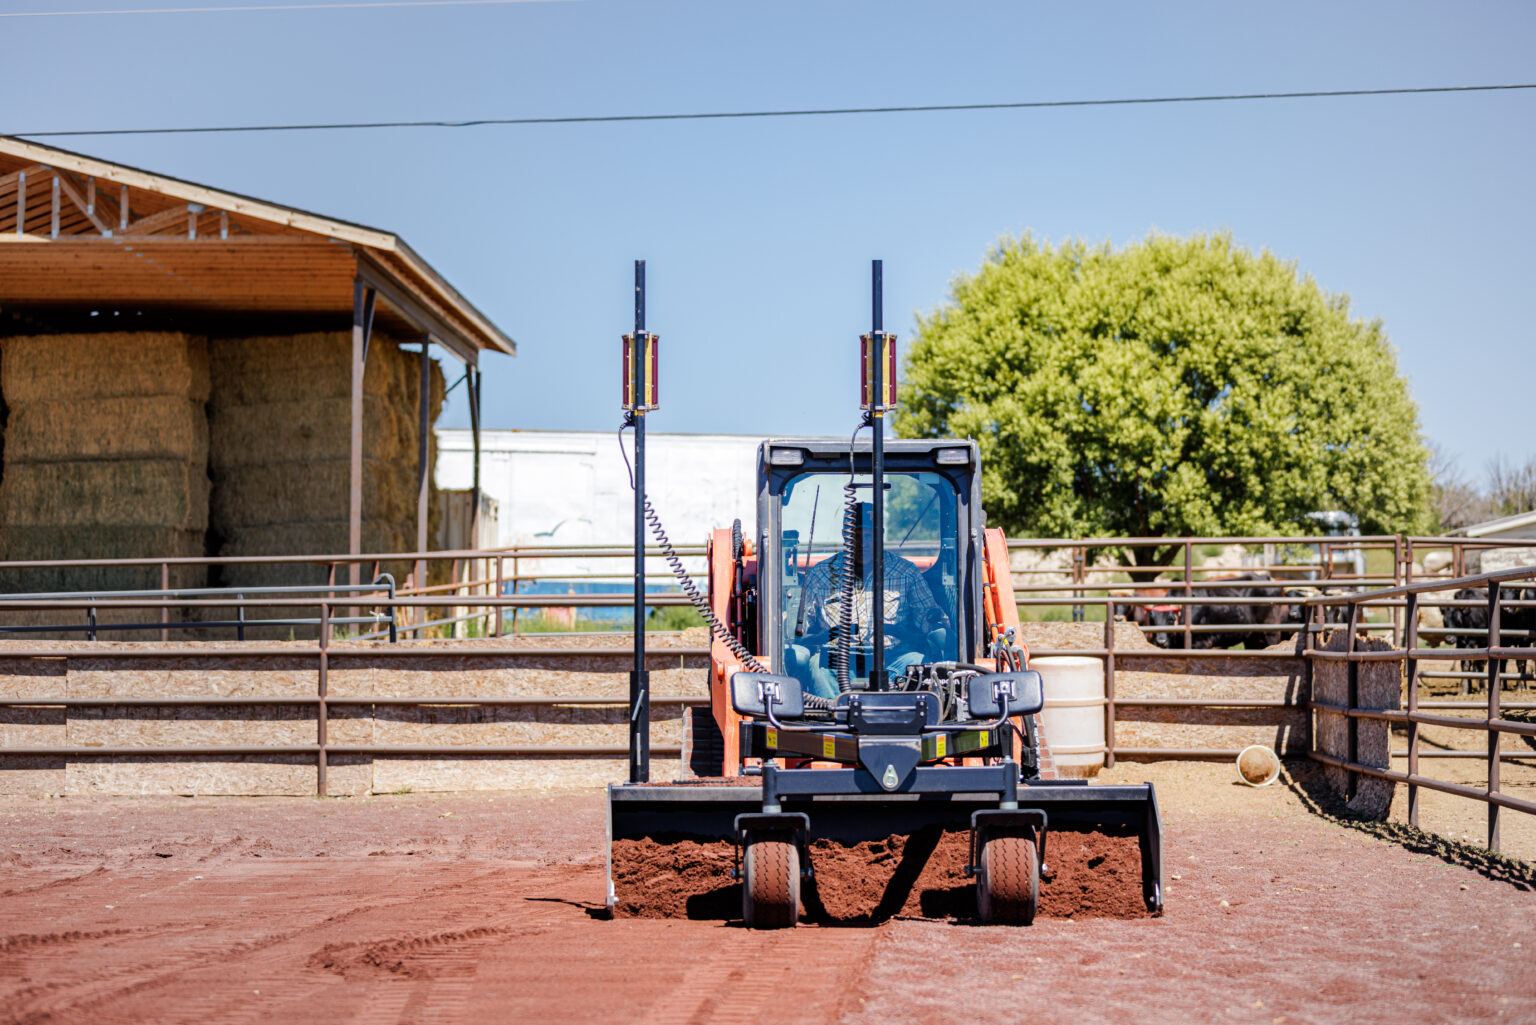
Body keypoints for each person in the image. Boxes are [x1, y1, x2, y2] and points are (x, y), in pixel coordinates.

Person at [787, 501, 950, 700]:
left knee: (918, 664)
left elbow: (929, 617)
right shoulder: (820, 574)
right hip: (836, 657)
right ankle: (833, 722)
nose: (863, 543)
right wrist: (819, 636)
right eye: (856, 536)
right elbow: (799, 632)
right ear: (845, 536)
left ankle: (907, 723)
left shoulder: (905, 572)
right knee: (817, 668)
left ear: (880, 535)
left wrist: (931, 631)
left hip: (893, 656)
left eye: (869, 536)